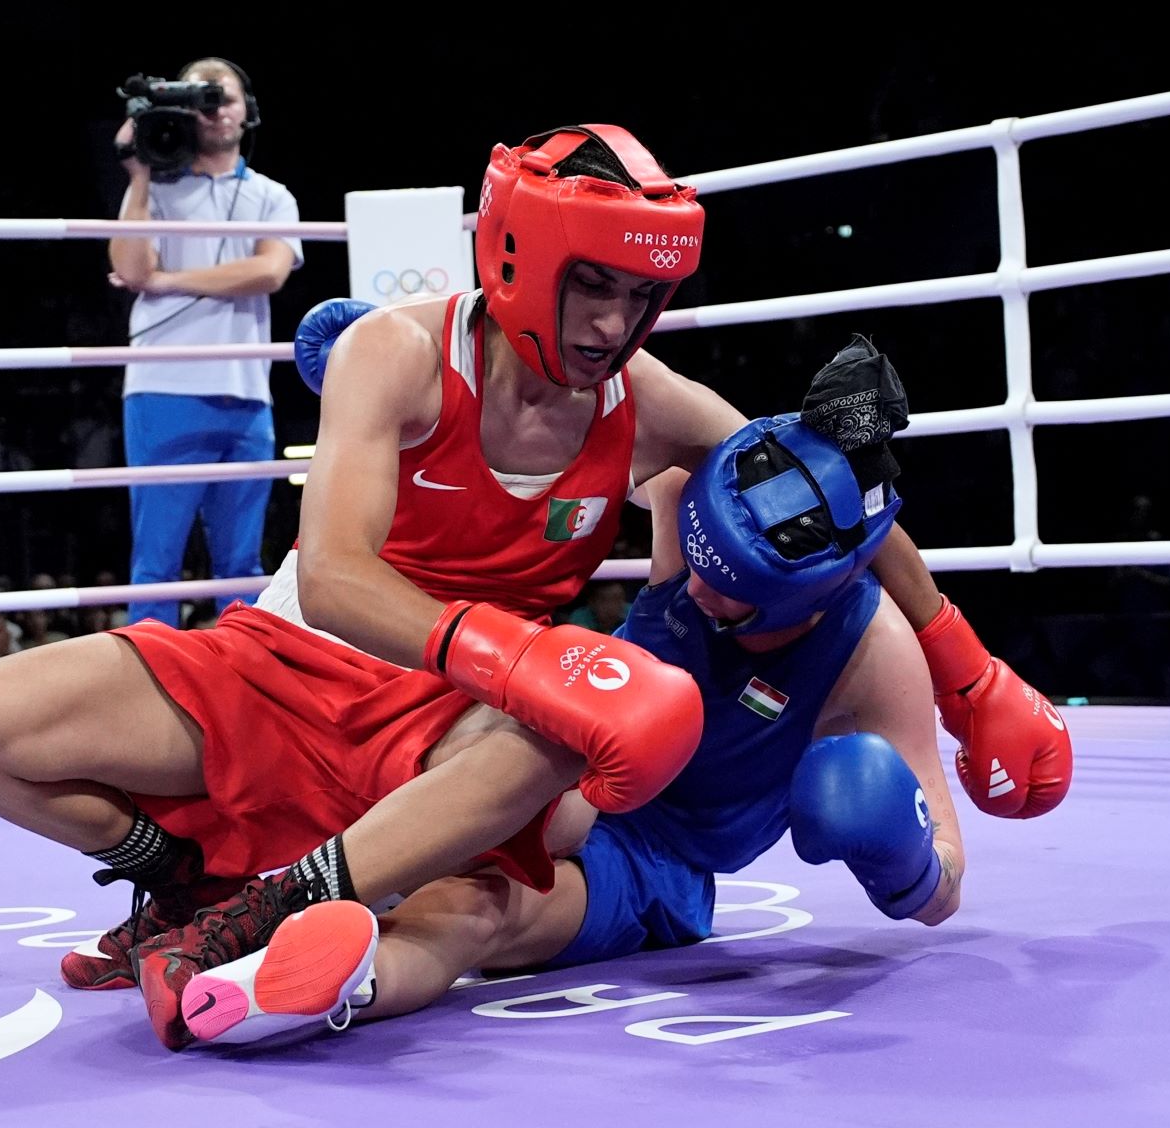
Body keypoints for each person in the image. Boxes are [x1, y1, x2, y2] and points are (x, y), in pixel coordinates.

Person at [0, 125, 1063, 1055]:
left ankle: (256, 915)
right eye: (594, 289)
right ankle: (184, 878)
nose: (615, 325)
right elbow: (336, 574)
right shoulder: (400, 355)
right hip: (290, 662)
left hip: (453, 729)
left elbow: (837, 490)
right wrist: (516, 651)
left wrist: (970, 675)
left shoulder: (644, 401)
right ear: (517, 257)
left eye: (640, 299)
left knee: (602, 722)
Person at [174, 347, 977, 1047]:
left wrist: (894, 850)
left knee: (484, 906)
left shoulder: (872, 654)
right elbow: (558, 446)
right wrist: (399, 378)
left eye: (732, 589)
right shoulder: (689, 498)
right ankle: (226, 887)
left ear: (806, 592)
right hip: (575, 750)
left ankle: (295, 992)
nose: (695, 582)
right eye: (695, 555)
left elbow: (944, 883)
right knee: (444, 749)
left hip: (654, 861)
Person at [109, 57, 301, 627]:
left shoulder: (272, 196)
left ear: (248, 113)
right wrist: (137, 172)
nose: (215, 110)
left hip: (245, 395)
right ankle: (146, 692)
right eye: (203, 99)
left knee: (240, 563)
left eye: (225, 97)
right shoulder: (158, 193)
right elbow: (128, 264)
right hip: (162, 387)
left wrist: (167, 280)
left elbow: (269, 272)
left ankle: (241, 685)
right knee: (156, 560)